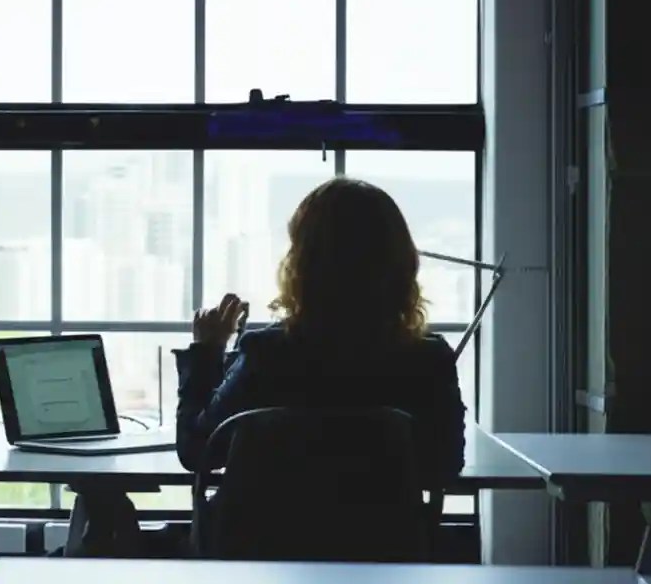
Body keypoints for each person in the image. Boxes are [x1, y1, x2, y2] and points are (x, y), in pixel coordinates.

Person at [175, 176, 467, 484]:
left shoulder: (268, 354)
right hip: (382, 532)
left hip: (270, 532)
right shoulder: (429, 360)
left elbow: (197, 450)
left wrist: (207, 352)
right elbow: (445, 464)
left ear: (302, 265)